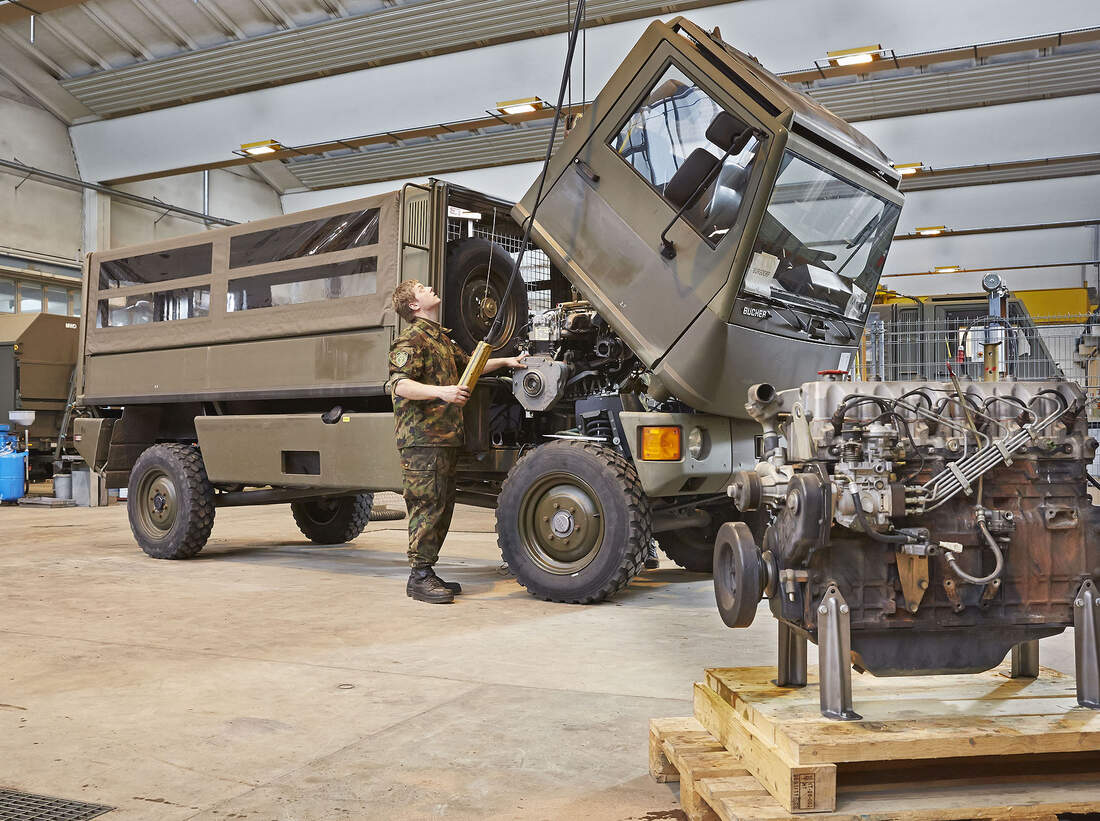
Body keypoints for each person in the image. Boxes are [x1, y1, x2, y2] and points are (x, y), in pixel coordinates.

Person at [386, 280, 525, 604]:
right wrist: (442, 392)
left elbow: (470, 367)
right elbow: (398, 384)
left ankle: (427, 571)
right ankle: (419, 577)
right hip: (422, 439)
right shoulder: (411, 339)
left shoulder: (442, 339)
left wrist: (507, 361)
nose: (431, 287)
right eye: (421, 287)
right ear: (414, 305)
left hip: (444, 438)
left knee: (442, 506)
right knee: (426, 506)